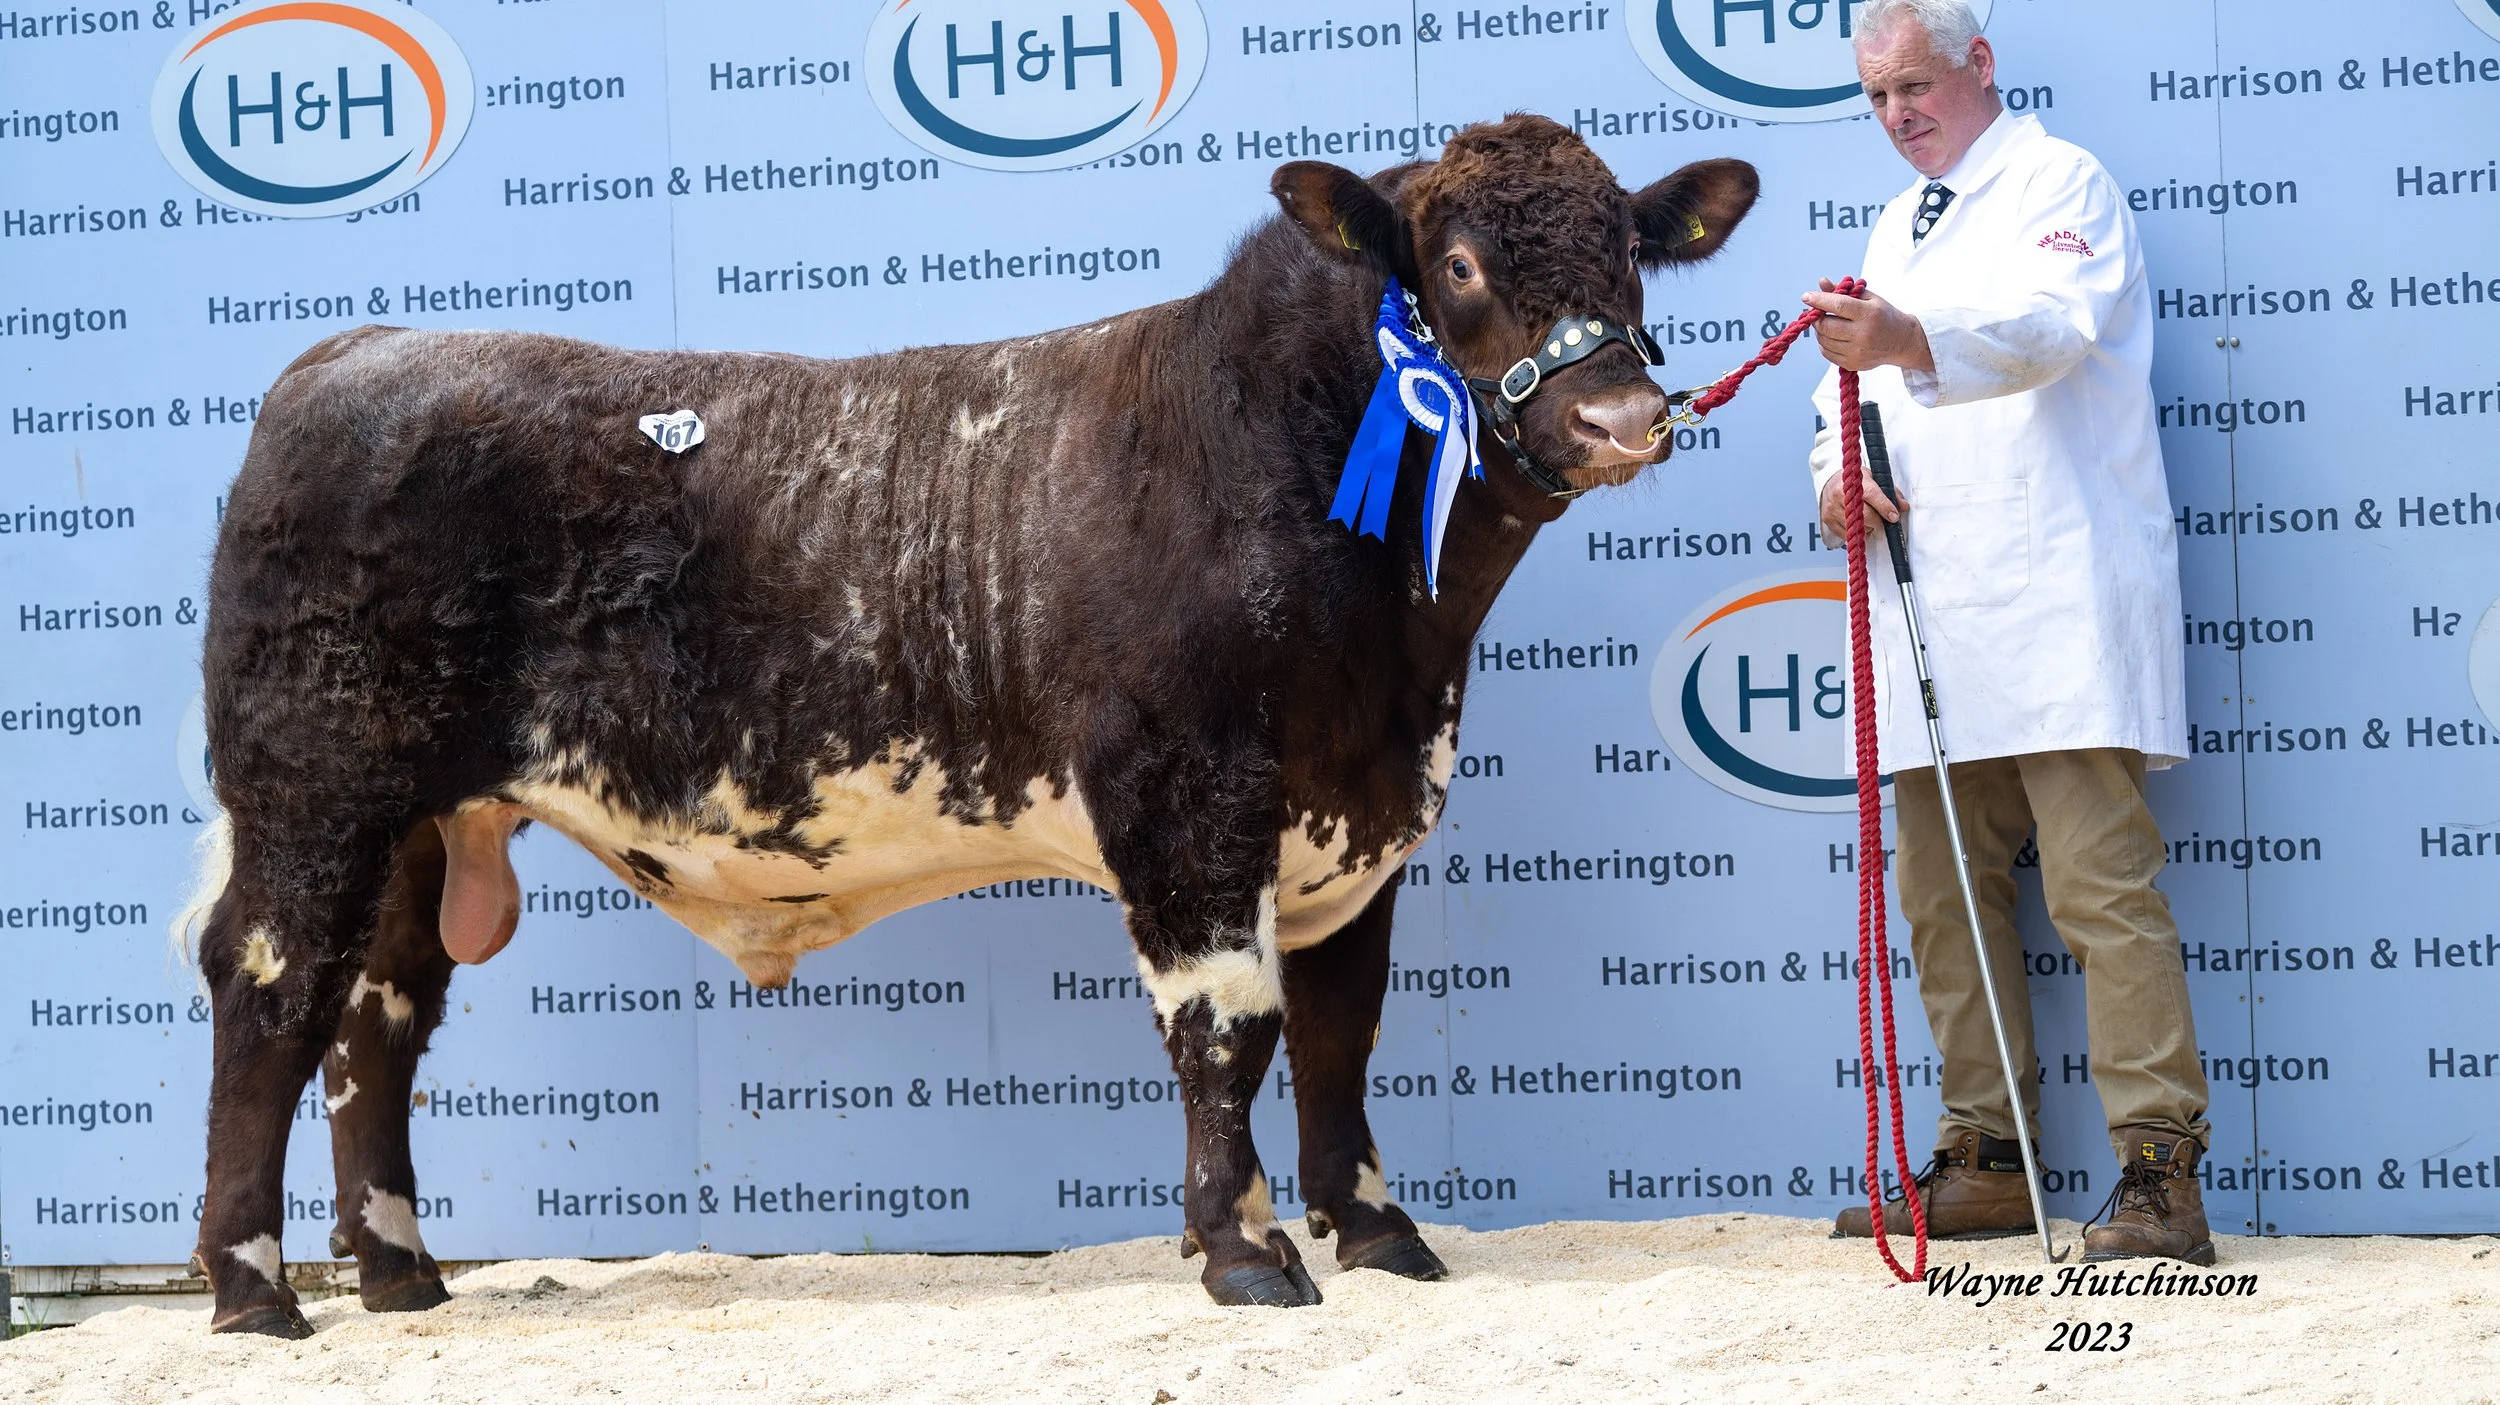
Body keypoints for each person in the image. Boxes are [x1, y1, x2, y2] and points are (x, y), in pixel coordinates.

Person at [1802, 0, 2213, 1264]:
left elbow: (2054, 332)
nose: (1896, 114)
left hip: (2054, 597)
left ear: (1980, 66)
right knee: (1941, 901)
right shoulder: (1893, 223)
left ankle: (2159, 1174)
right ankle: (1984, 1159)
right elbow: (1841, 392)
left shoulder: (2060, 180)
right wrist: (1832, 472)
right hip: (1929, 606)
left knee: (2100, 890)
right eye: (1874, 98)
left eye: (1914, 85)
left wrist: (1909, 338)